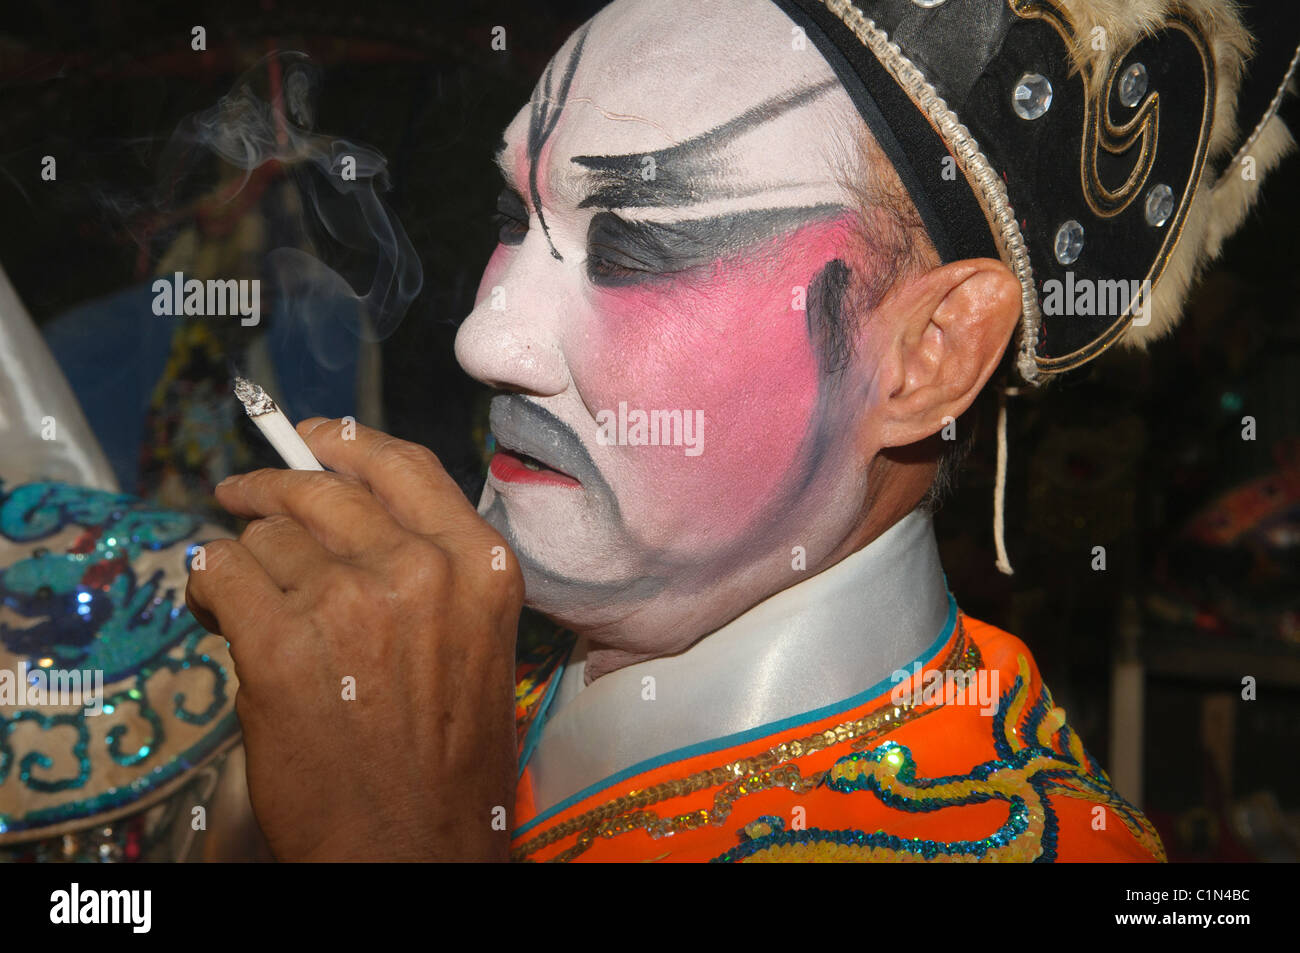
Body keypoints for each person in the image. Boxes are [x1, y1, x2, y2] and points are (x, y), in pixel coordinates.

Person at [184, 0, 1300, 861]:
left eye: (633, 248)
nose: (488, 335)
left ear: (929, 353)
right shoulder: (478, 672)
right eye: (513, 218)